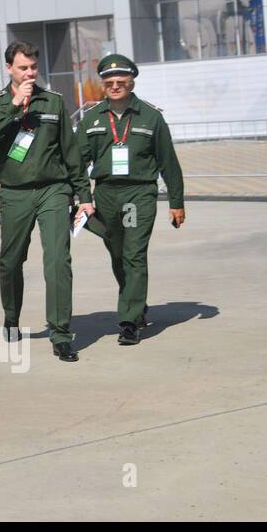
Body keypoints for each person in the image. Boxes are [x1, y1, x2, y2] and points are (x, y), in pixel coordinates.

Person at [0, 41, 93, 362]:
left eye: (33, 67)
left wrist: (83, 194)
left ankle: (60, 333)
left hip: (53, 190)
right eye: (23, 68)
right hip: (15, 193)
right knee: (10, 261)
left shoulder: (53, 102)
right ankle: (11, 317)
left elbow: (71, 152)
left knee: (57, 260)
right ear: (9, 69)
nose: (29, 73)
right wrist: (15, 104)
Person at [77, 54, 185, 346]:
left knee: (133, 254)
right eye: (109, 82)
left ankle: (128, 322)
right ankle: (135, 303)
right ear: (103, 84)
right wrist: (83, 197)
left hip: (137, 195)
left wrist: (177, 202)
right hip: (106, 195)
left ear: (131, 81)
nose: (115, 86)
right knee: (118, 255)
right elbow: (76, 163)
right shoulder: (92, 118)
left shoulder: (151, 117)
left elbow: (169, 163)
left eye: (121, 81)